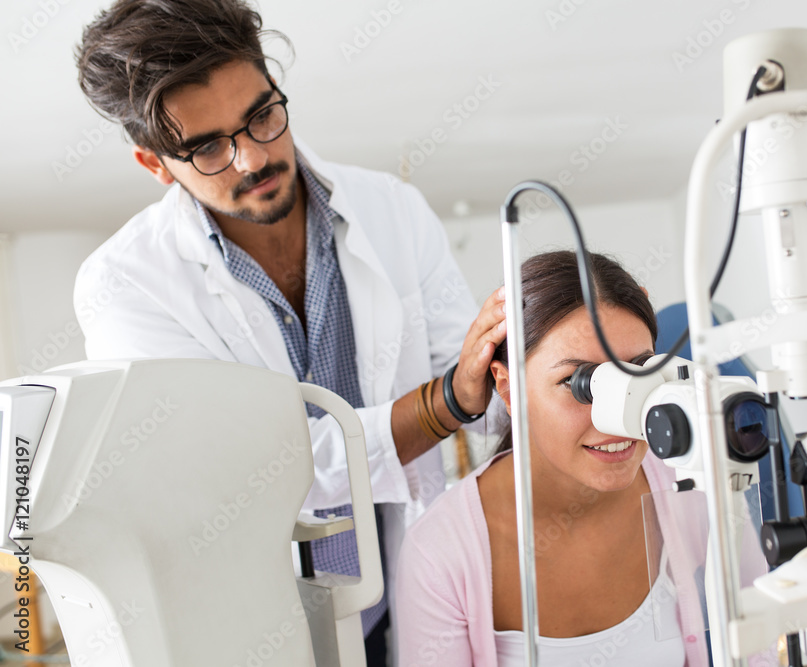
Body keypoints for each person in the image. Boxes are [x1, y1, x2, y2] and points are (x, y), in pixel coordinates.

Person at [72, 1, 505, 664]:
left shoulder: (392, 210)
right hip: (248, 622)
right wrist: (444, 402)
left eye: (261, 116)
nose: (252, 157)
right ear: (156, 164)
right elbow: (253, 471)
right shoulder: (124, 286)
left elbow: (486, 394)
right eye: (208, 147)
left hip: (406, 594)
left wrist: (543, 357)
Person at [395, 250, 768, 666]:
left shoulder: (691, 481)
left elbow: (759, 638)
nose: (620, 419)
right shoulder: (440, 553)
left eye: (639, 370)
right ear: (508, 388)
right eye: (581, 383)